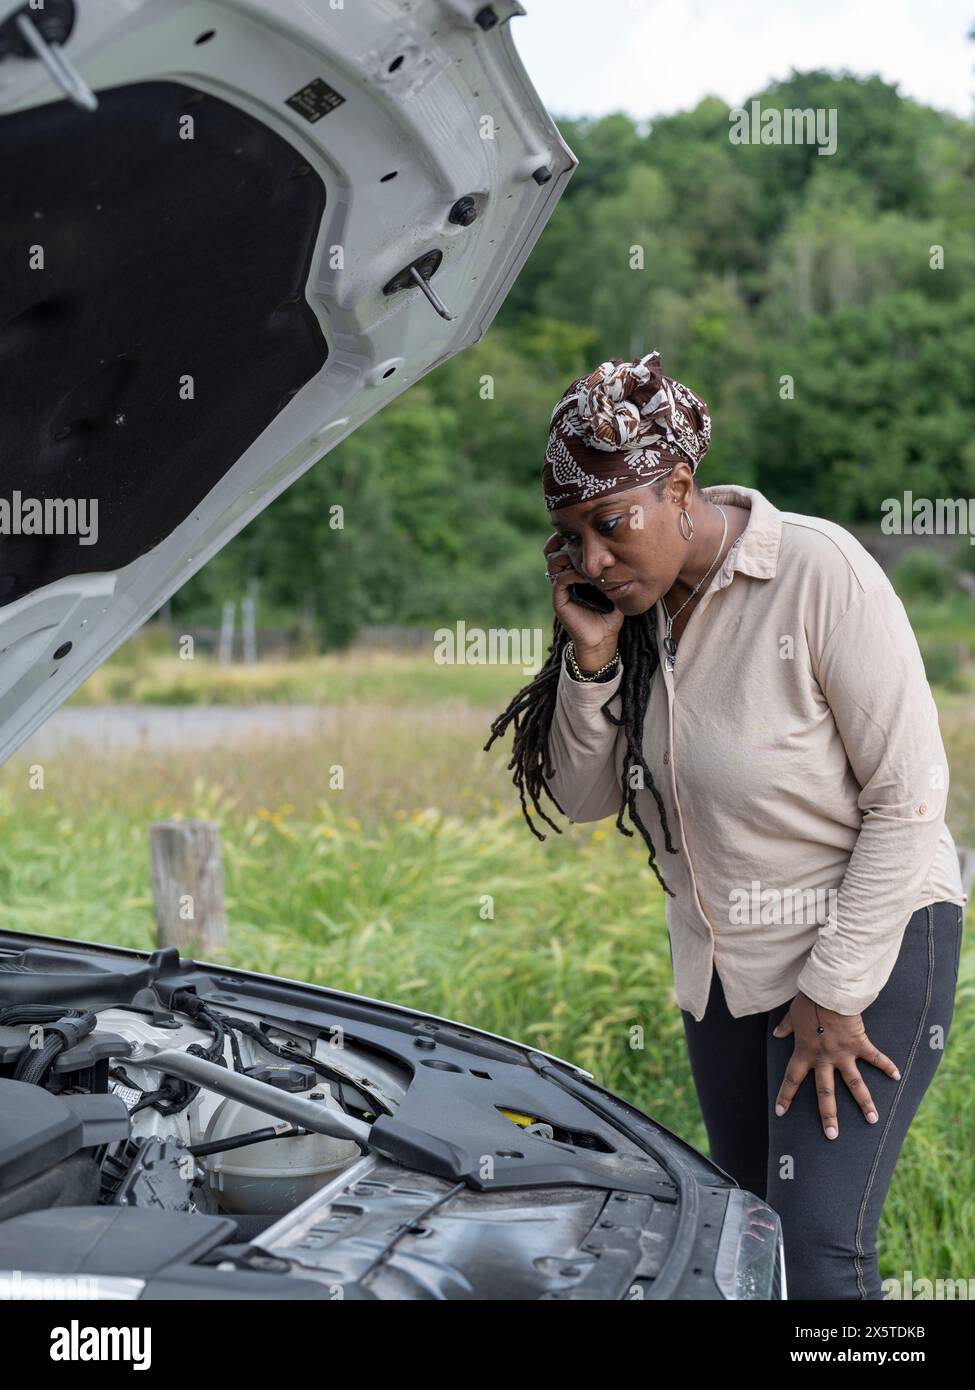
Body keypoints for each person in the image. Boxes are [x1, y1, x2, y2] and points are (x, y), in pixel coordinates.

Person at [484, 349, 967, 1300]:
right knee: (746, 1253)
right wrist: (590, 661)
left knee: (819, 1257)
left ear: (678, 488)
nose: (591, 560)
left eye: (611, 526)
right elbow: (584, 798)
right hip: (722, 975)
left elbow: (910, 796)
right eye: (571, 538)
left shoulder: (817, 572)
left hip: (865, 949)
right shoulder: (636, 616)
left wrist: (833, 992)